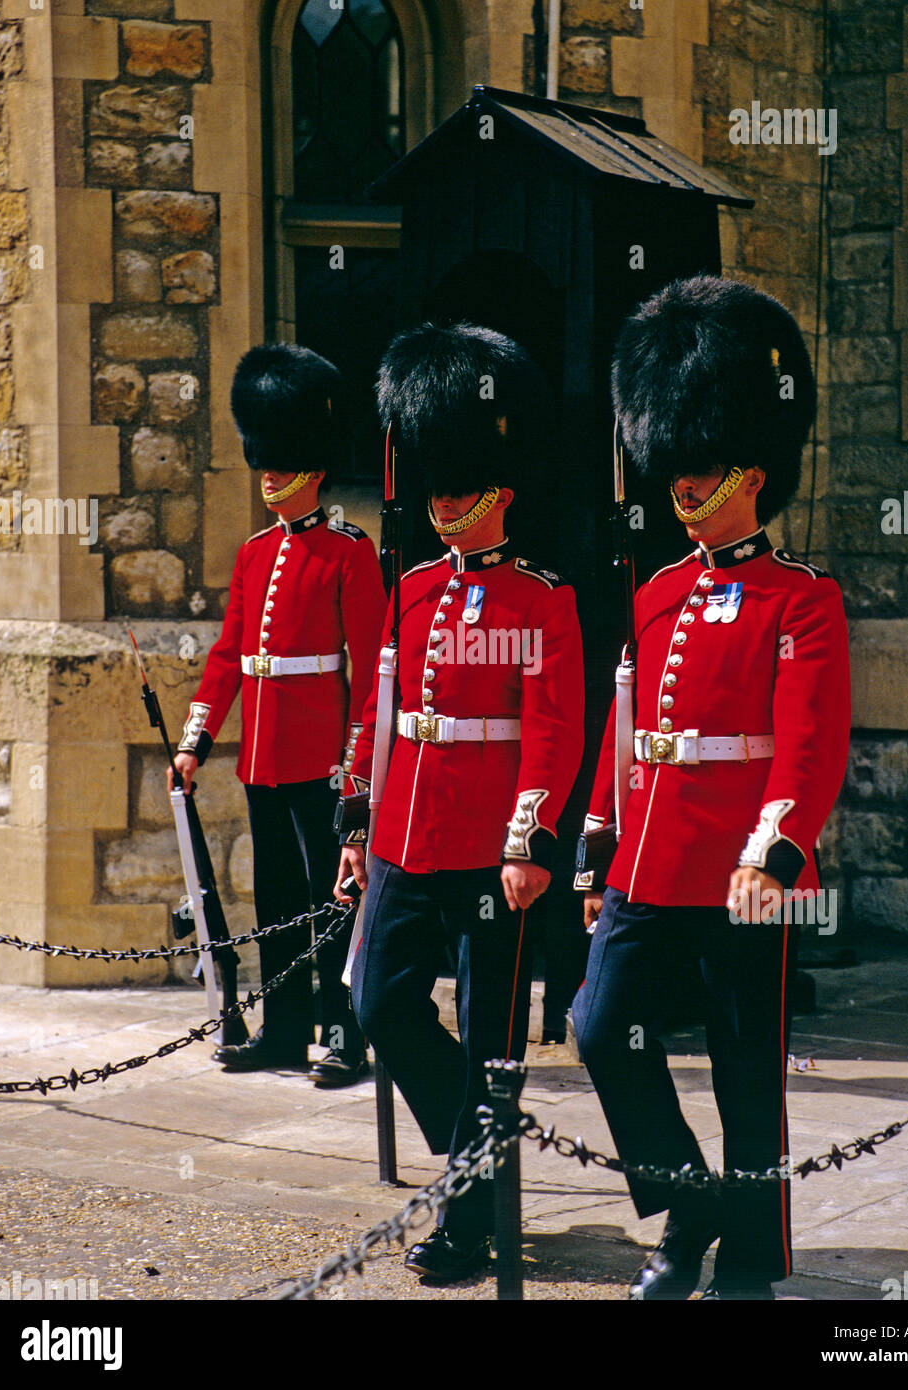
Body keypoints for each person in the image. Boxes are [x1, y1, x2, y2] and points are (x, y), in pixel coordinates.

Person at [573, 276, 851, 1300]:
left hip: (742, 867)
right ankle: (690, 1205)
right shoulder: (655, 591)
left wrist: (775, 849)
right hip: (650, 858)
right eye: (676, 462)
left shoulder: (801, 599)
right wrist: (599, 839)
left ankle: (752, 1256)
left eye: (704, 461)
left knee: (746, 1074)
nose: (683, 481)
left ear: (753, 466)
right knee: (600, 1026)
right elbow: (629, 723)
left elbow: (808, 741)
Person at [334, 323, 585, 1283]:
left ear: (500, 491)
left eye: (460, 485)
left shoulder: (541, 598)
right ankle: (475, 1160)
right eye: (435, 484)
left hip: (490, 845)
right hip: (406, 831)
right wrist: (358, 822)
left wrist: (530, 838)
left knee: (488, 1041)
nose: (442, 502)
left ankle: (471, 1214)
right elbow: (382, 712)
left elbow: (552, 732)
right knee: (376, 1003)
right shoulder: (411, 587)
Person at [170, 343, 385, 1082]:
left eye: (281, 464)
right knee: (275, 899)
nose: (268, 476)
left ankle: (344, 1032)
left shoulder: (349, 553)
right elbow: (230, 656)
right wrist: (197, 738)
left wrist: (355, 762)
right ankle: (286, 1027)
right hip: (262, 752)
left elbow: (368, 668)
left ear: (313, 471)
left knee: (333, 896)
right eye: (264, 463)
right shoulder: (254, 553)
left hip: (321, 752)